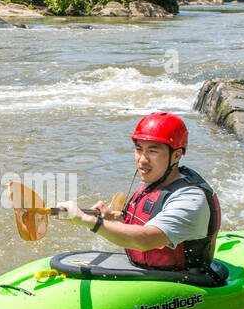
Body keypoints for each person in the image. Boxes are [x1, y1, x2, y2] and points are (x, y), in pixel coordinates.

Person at [57, 112, 221, 270]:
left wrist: (86, 220)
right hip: (153, 272)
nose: (142, 160)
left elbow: (145, 240)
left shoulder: (190, 199)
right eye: (139, 149)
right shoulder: (158, 180)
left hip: (186, 282)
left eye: (152, 151)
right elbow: (151, 216)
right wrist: (113, 216)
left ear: (177, 155)